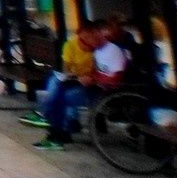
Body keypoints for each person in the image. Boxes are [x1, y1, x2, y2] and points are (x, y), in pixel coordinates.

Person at [30, 20, 125, 150]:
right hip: (92, 85)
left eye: (89, 37)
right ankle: (56, 132)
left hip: (104, 91)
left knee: (63, 96)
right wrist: (84, 77)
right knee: (58, 89)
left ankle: (56, 131)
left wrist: (93, 78)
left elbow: (115, 78)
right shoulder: (97, 50)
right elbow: (92, 70)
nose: (86, 41)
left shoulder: (112, 51)